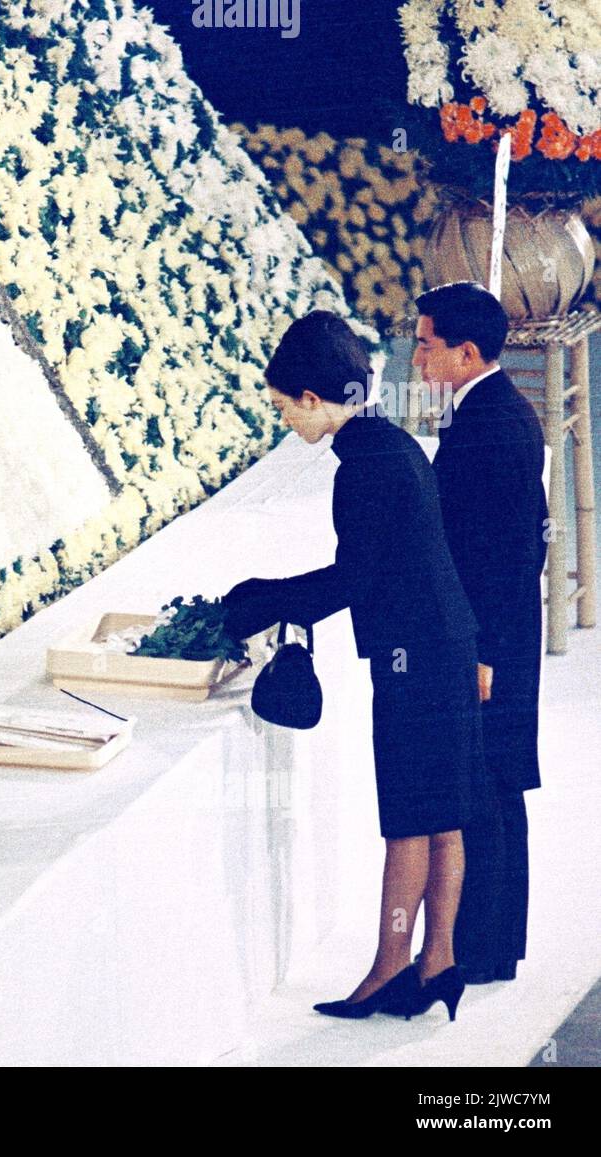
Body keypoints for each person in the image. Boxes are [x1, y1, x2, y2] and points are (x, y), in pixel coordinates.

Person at [221, 310, 489, 1022]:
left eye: (286, 409)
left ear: (312, 399)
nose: (287, 424)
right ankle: (439, 962)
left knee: (407, 821)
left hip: (414, 663)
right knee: (443, 819)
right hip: (445, 647)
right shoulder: (392, 445)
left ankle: (387, 970)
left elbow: (354, 580)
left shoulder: (361, 468)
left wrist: (263, 597)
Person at [413, 282, 548, 986]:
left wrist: (486, 651)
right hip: (498, 635)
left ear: (466, 352)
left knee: (489, 789)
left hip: (493, 646)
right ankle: (486, 943)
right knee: (492, 787)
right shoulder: (490, 412)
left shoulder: (492, 423)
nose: (418, 354)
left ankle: (484, 947)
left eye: (428, 343)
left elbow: (509, 551)